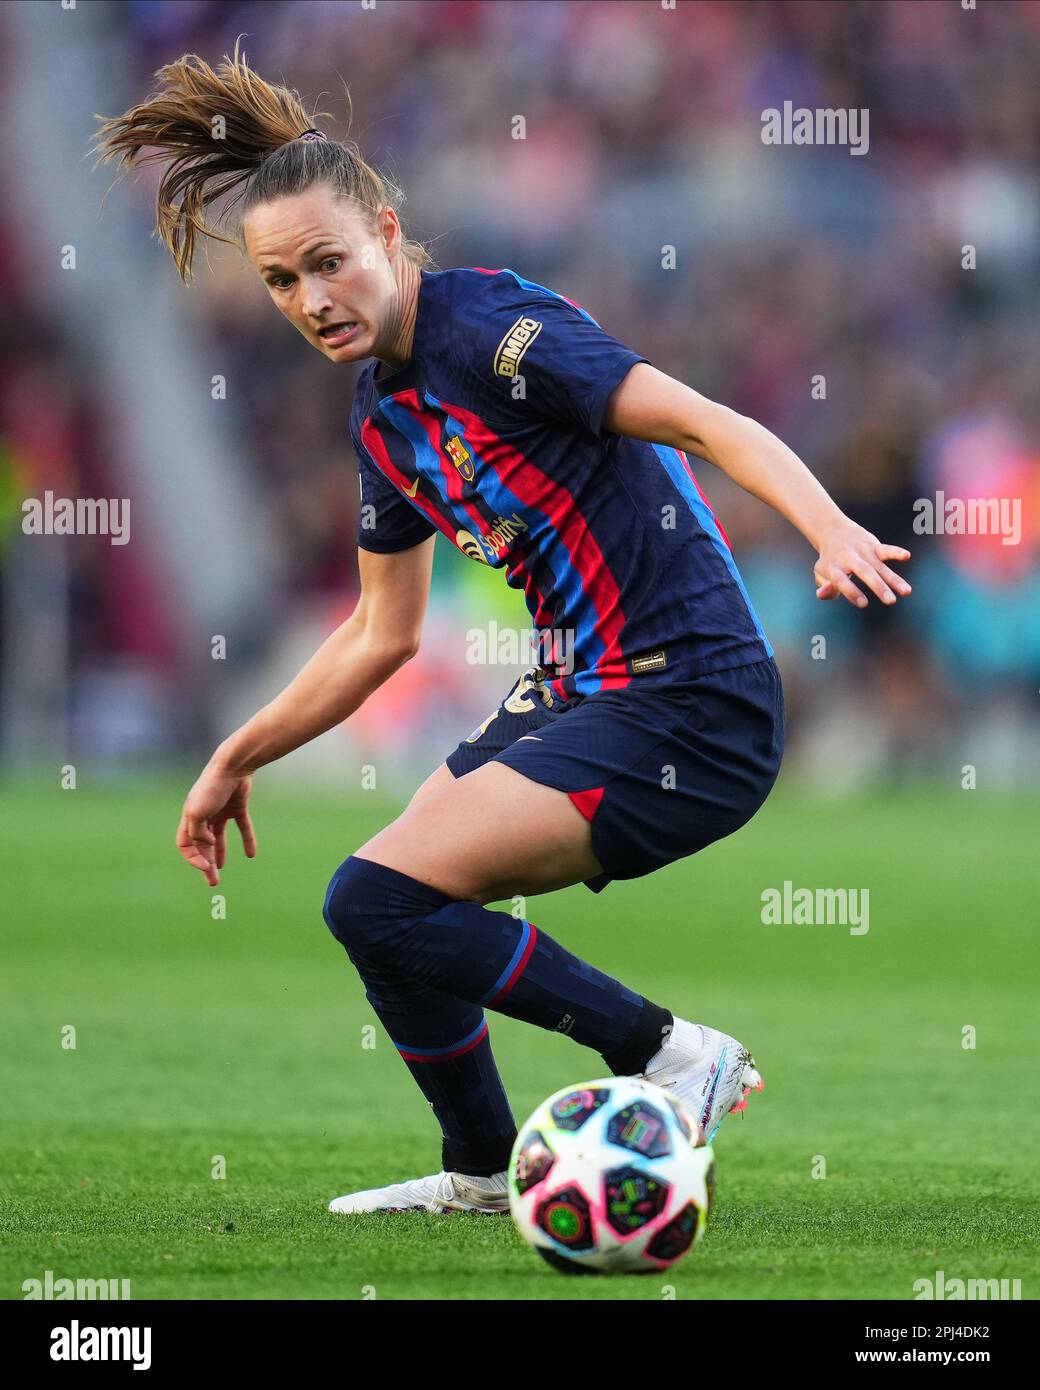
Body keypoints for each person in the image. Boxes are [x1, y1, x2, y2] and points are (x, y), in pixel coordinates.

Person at [94, 42, 911, 1215]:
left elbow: (703, 419)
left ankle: (666, 1051)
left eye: (328, 263)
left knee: (371, 894)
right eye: (281, 282)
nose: (311, 300)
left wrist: (826, 525)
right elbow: (381, 634)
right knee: (387, 917)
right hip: (583, 691)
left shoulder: (496, 334)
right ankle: (482, 1172)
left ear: (384, 231)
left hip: (687, 696)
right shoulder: (382, 418)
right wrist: (235, 754)